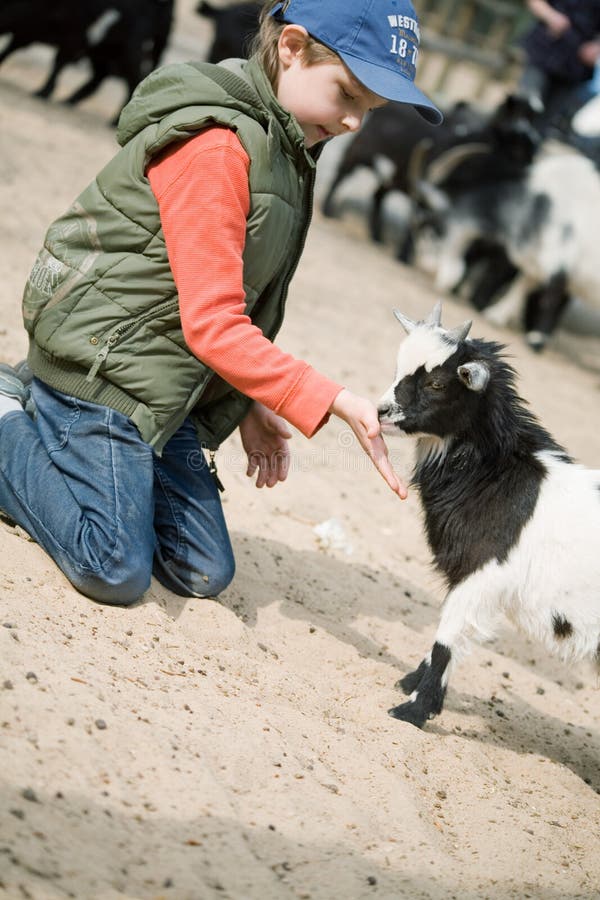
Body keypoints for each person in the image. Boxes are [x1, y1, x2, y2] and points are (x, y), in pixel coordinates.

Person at [0, 0, 441, 606]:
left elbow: (224, 296)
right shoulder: (218, 147)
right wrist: (331, 399)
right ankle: (12, 416)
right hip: (104, 370)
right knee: (113, 565)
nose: (353, 123)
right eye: (346, 94)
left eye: (369, 109)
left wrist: (246, 396)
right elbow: (212, 323)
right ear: (291, 48)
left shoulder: (286, 148)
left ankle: (56, 424)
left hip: (162, 384)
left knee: (203, 569)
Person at [518, 0, 600, 128]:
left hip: (578, 65)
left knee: (544, 122)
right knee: (523, 106)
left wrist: (597, 47)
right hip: (544, 51)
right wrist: (550, 15)